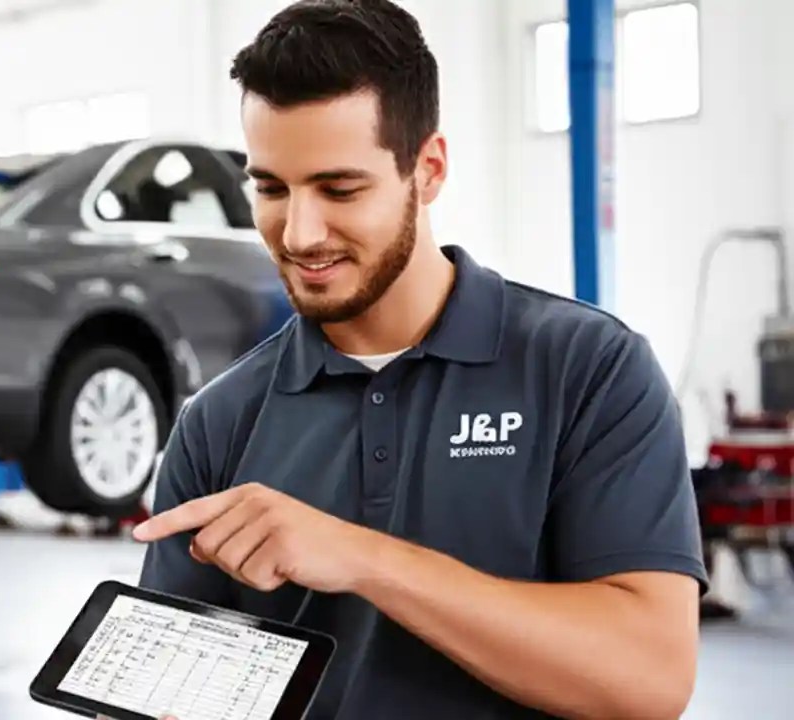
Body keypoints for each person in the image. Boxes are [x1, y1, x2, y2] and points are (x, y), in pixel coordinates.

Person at [133, 1, 708, 719]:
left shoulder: (589, 370)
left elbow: (648, 680)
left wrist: (362, 558)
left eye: (340, 189)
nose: (301, 233)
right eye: (272, 189)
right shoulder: (220, 421)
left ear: (427, 169)